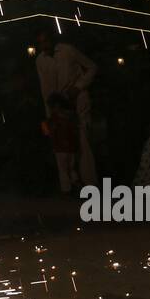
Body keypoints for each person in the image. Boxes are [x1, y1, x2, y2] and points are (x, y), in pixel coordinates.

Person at [34, 26, 98, 194]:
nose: (44, 46)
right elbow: (44, 88)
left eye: (46, 41)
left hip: (78, 101)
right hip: (59, 108)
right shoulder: (40, 60)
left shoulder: (68, 51)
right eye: (41, 43)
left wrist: (78, 86)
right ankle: (69, 185)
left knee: (83, 142)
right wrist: (50, 115)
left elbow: (92, 67)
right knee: (63, 148)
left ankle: (90, 186)